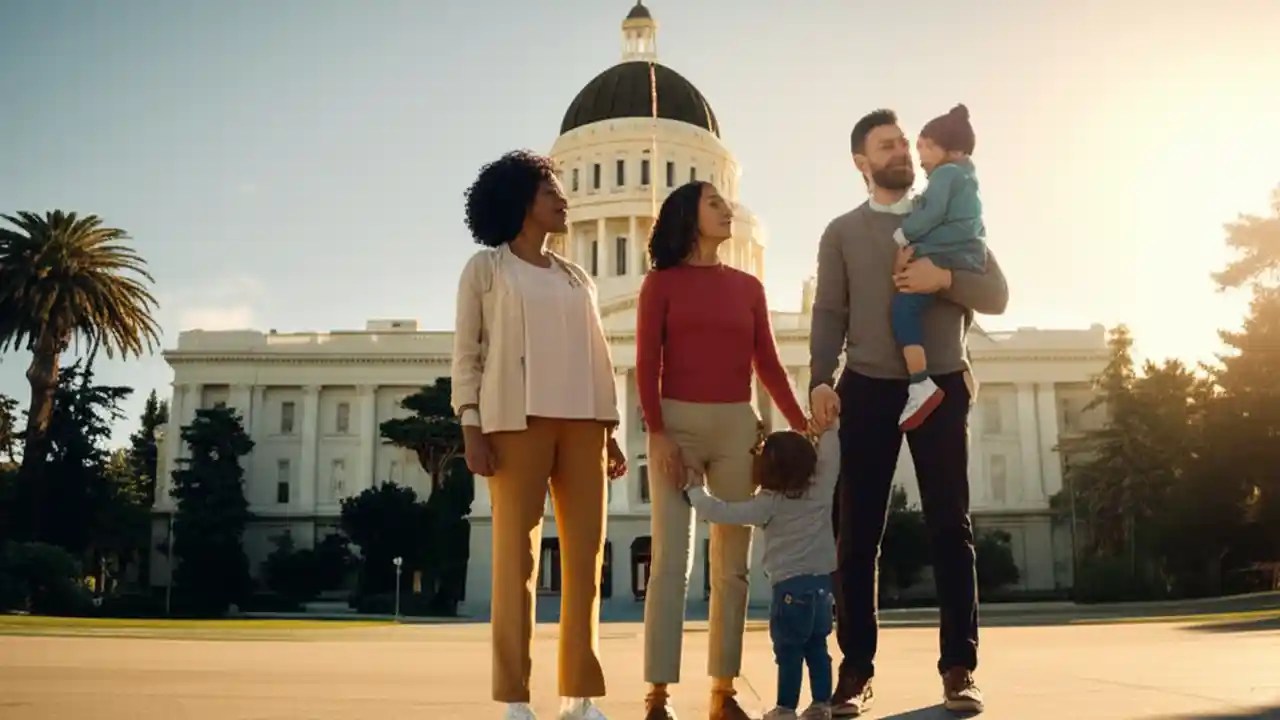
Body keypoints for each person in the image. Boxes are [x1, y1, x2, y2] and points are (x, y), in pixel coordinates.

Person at [808, 109, 1009, 717]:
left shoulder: (950, 210)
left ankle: (959, 668)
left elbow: (997, 296)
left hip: (942, 384)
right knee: (857, 531)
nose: (900, 150)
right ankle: (857, 670)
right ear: (861, 162)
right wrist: (820, 378)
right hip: (867, 386)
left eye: (903, 142)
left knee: (951, 526)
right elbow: (829, 313)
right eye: (885, 144)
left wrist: (942, 276)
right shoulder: (841, 232)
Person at [451, 150, 627, 720]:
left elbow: (597, 356)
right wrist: (470, 424)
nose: (563, 198)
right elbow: (468, 355)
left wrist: (611, 430)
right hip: (515, 424)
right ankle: (515, 698)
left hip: (583, 427)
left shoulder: (579, 279)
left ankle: (579, 695)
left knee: (585, 562)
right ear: (522, 202)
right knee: (516, 565)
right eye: (551, 190)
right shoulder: (486, 270)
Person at [637, 181, 810, 720]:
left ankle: (723, 691)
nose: (726, 208)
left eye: (725, 201)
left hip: (738, 427)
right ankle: (659, 695)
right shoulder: (660, 285)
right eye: (714, 203)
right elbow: (647, 364)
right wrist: (659, 433)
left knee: (732, 566)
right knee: (669, 562)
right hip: (677, 427)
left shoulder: (748, 286)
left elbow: (769, 364)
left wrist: (803, 425)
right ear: (689, 216)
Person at [685, 425, 841, 720]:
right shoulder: (820, 491)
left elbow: (723, 512)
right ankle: (822, 704)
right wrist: (828, 429)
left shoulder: (768, 504)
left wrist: (695, 491)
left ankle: (786, 707)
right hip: (822, 585)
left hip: (789, 589)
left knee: (789, 652)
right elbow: (832, 458)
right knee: (818, 648)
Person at [888, 104, 987, 431]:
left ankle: (920, 382)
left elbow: (931, 217)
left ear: (951, 149)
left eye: (924, 147)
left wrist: (905, 235)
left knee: (903, 309)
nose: (920, 157)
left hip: (953, 259)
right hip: (966, 254)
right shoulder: (966, 178)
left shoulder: (946, 175)